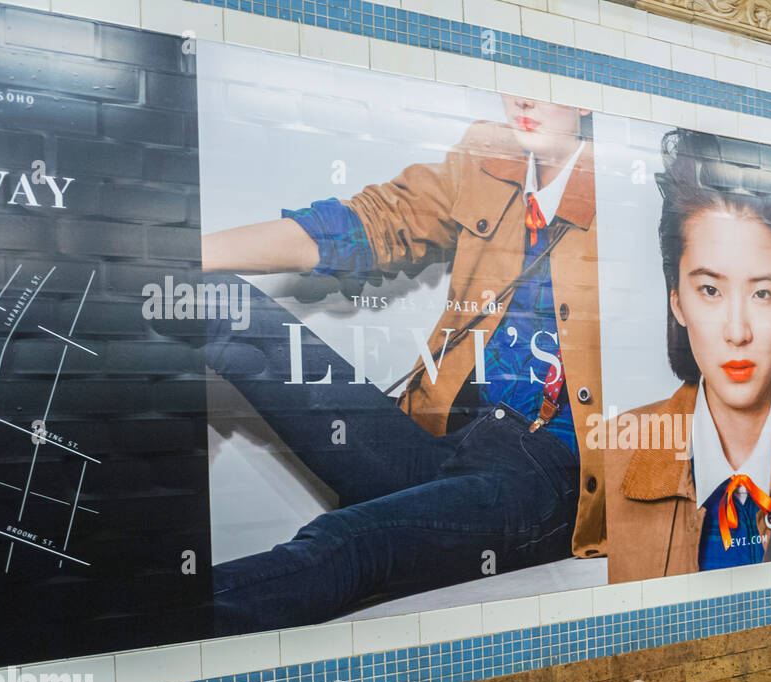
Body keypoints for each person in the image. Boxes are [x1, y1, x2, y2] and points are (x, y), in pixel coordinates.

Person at [196, 96, 605, 634]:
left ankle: (125, 626)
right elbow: (369, 224)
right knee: (214, 302)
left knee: (345, 541)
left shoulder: (626, 194)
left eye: (549, 78)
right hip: (446, 439)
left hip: (544, 477)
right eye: (517, 77)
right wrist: (178, 252)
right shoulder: (489, 154)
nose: (525, 97)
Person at [604, 129, 771, 584]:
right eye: (710, 290)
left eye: (762, 292)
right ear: (677, 302)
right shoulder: (615, 454)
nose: (737, 332)